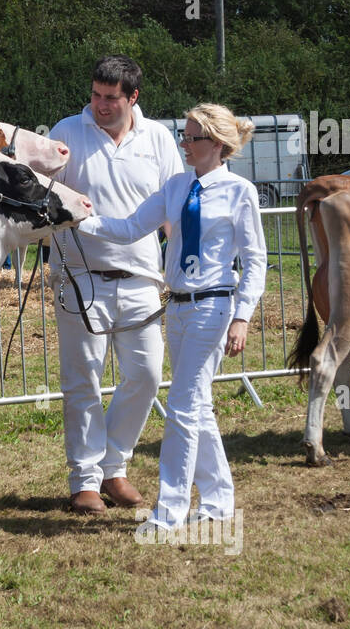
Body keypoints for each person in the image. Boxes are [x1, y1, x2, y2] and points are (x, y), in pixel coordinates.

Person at [76, 103, 267, 530]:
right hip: (177, 307)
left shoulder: (240, 192)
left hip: (214, 307)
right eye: (184, 135)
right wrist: (78, 220)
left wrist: (243, 316)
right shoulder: (177, 187)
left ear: (215, 144)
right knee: (198, 407)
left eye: (191, 137)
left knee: (181, 406)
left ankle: (170, 511)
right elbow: (129, 228)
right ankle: (218, 502)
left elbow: (256, 260)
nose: (184, 143)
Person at [49, 56, 184, 514]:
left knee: (145, 376)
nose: (101, 106)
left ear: (133, 98)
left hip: (143, 277)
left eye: (111, 98)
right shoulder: (65, 133)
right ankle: (84, 480)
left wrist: (185, 261)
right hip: (80, 276)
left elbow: (172, 206)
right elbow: (44, 197)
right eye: (95, 95)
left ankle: (115, 467)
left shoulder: (160, 138)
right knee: (82, 380)